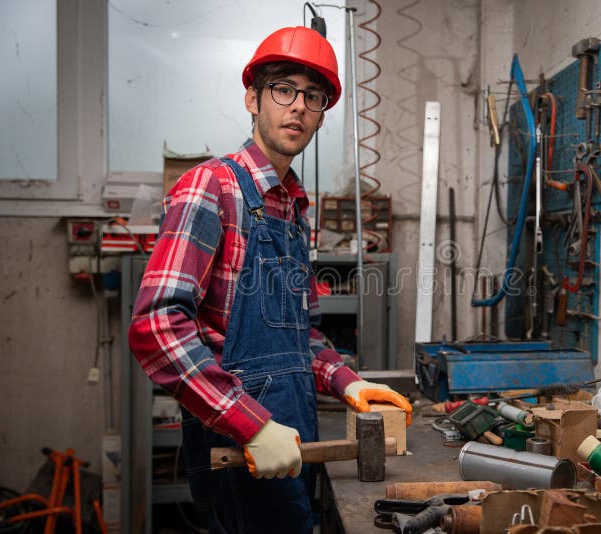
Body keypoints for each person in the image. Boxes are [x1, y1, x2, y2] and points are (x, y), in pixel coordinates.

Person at [128, 26, 412, 533]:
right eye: (283, 88)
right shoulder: (211, 187)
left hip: (292, 432)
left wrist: (350, 382)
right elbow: (156, 327)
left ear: (323, 113)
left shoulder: (294, 207)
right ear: (252, 99)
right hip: (237, 444)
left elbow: (303, 333)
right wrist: (249, 424)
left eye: (314, 96)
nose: (298, 106)